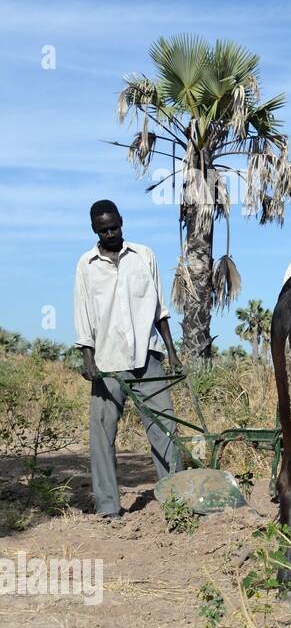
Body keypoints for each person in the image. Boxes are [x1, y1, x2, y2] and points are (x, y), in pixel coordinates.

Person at [73, 200, 181, 519]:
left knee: (165, 428)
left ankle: (174, 501)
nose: (110, 233)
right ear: (95, 229)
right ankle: (108, 507)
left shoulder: (144, 256)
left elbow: (159, 309)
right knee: (102, 434)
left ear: (122, 221)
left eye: (114, 227)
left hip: (147, 358)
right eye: (103, 230)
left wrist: (172, 352)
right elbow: (83, 314)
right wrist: (87, 358)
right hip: (107, 362)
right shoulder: (86, 265)